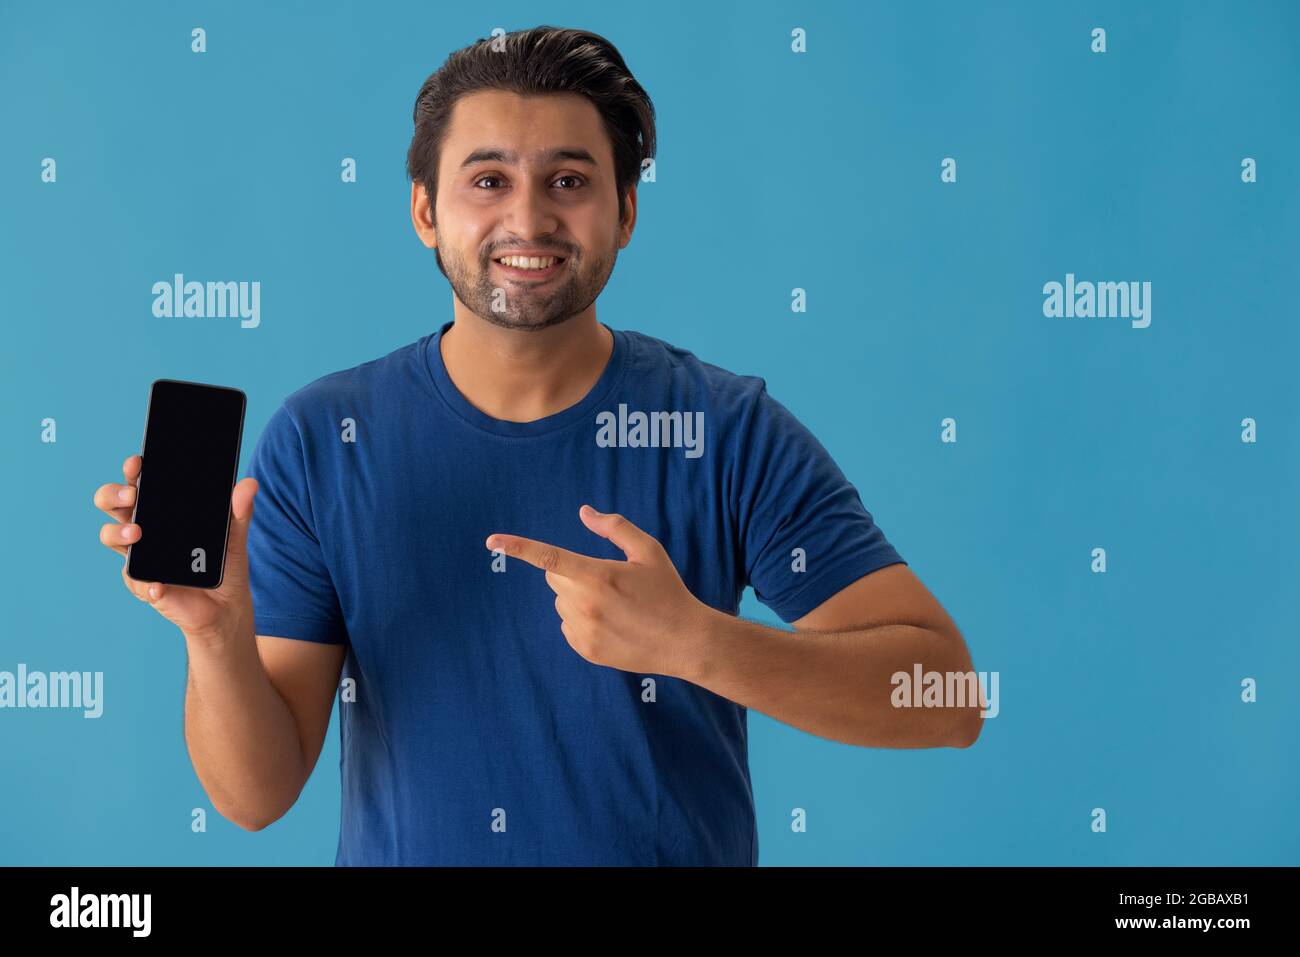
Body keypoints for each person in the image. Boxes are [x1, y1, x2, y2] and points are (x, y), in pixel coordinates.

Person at [94, 25, 979, 866]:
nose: (529, 218)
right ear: (424, 212)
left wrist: (695, 643)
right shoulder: (324, 440)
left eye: (569, 180)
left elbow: (948, 696)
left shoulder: (726, 430)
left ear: (625, 211)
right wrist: (214, 635)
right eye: (487, 181)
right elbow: (256, 795)